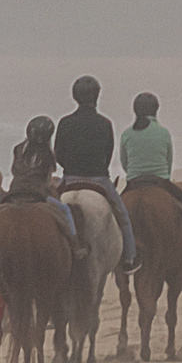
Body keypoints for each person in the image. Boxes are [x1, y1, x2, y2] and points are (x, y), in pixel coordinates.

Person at [54, 76, 137, 271]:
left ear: (75, 97)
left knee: (46, 207)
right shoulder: (105, 123)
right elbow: (108, 154)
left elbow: (59, 155)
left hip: (70, 178)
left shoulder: (65, 122)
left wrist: (71, 167)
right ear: (97, 96)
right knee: (123, 216)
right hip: (99, 179)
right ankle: (130, 258)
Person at [120, 92, 182, 259]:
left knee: (115, 214)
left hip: (134, 182)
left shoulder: (126, 134)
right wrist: (163, 175)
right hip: (160, 182)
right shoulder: (163, 132)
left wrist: (135, 173)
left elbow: (124, 163)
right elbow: (168, 162)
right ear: (155, 111)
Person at [2, 116, 81, 254]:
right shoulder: (48, 155)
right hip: (37, 196)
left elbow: (14, 170)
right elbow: (46, 180)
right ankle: (75, 245)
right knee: (66, 210)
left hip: (13, 195)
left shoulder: (18, 149)